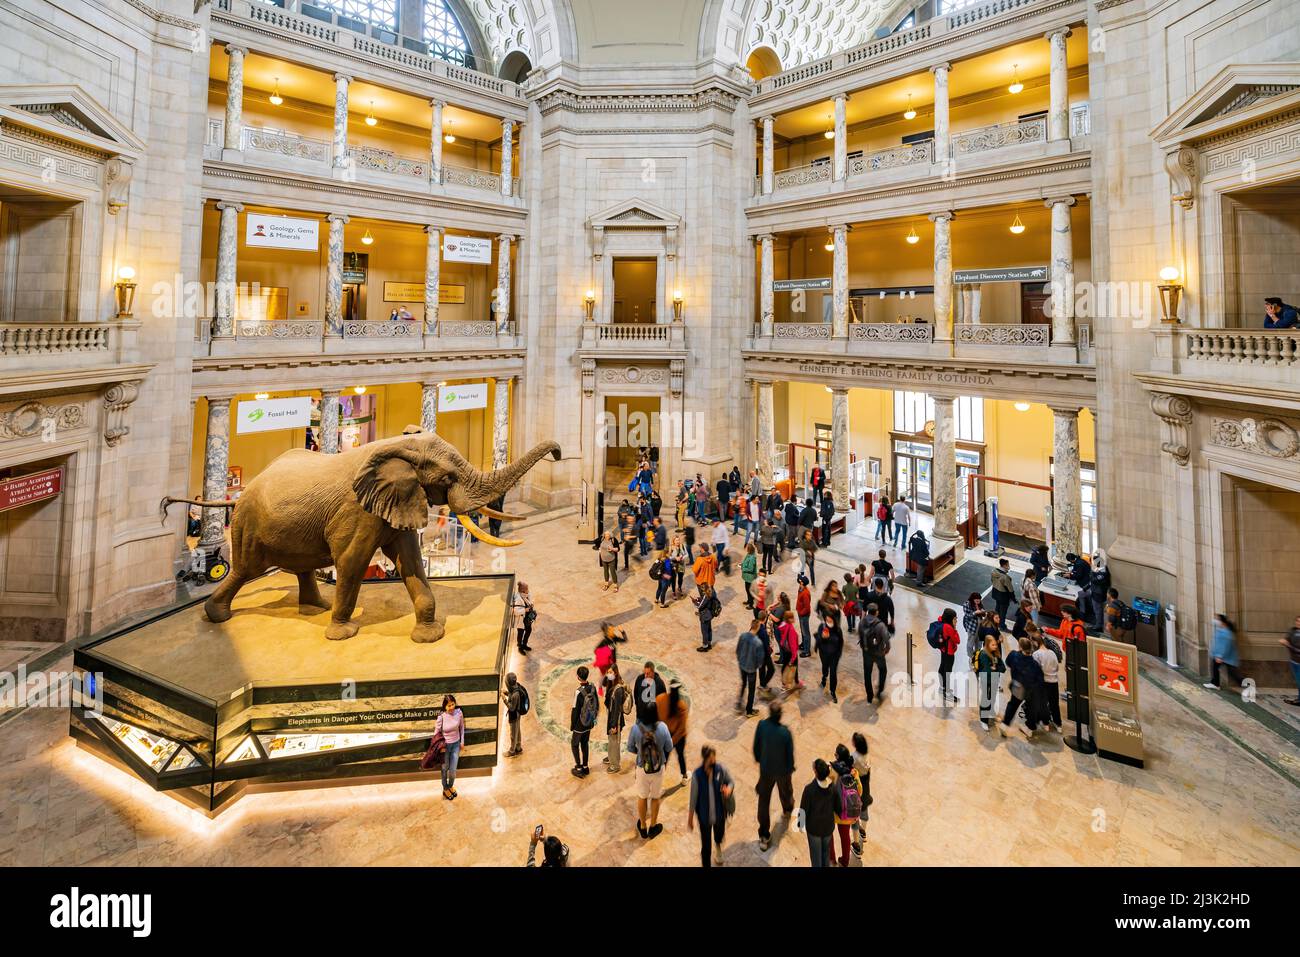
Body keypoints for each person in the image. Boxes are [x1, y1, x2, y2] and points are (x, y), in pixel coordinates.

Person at [753, 700, 795, 852]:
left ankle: (764, 835)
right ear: (780, 716)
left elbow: (756, 747)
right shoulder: (785, 732)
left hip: (766, 771)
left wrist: (760, 760)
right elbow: (789, 755)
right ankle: (788, 808)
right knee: (786, 791)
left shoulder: (762, 726)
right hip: (783, 771)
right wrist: (790, 768)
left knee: (763, 801)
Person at [627, 714, 674, 839]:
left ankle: (642, 826)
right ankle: (653, 827)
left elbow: (630, 747)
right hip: (658, 769)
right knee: (655, 797)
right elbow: (669, 747)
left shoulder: (636, 728)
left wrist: (640, 754)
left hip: (642, 769)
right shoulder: (663, 727)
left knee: (642, 797)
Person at [687, 744, 734, 868]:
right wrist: (690, 818)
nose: (713, 761)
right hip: (704, 817)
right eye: (711, 759)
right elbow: (693, 798)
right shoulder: (697, 776)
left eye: (714, 758)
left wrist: (728, 788)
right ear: (705, 759)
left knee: (719, 834)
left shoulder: (720, 769)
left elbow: (730, 781)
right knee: (706, 847)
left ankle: (718, 846)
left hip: (719, 813)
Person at [798, 758, 838, 868]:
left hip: (814, 830)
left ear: (815, 772)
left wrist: (800, 825)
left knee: (816, 858)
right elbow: (838, 808)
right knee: (826, 854)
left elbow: (803, 810)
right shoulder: (833, 788)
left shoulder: (809, 790)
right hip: (828, 828)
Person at [1003, 636, 1045, 738]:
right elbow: (1040, 680)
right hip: (1030, 691)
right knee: (1031, 708)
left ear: (1020, 647)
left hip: (1017, 687)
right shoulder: (1034, 664)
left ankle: (1005, 725)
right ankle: (1029, 728)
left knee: (1012, 705)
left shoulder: (1013, 655)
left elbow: (1007, 663)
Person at [831, 744, 863, 867]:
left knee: (829, 836)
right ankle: (845, 861)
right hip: (849, 812)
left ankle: (832, 860)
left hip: (836, 812)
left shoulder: (834, 770)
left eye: (835, 754)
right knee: (845, 837)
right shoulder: (854, 772)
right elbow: (860, 790)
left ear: (838, 757)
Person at [656, 681, 691, 784]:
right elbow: (682, 729)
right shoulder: (682, 706)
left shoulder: (660, 699)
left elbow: (656, 717)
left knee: (664, 760)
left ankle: (658, 783)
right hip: (678, 738)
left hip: (665, 735)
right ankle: (684, 777)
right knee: (680, 756)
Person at [1031, 624, 1063, 731]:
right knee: (1054, 704)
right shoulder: (1052, 653)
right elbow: (1057, 667)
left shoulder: (1036, 654)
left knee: (1042, 703)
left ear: (1035, 642)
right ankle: (1058, 725)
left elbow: (1036, 670)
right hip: (1054, 682)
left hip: (1044, 682)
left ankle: (1045, 724)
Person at [435, 694, 466, 800]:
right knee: (444, 769)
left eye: (453, 704)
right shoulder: (441, 716)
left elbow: (462, 728)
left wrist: (462, 742)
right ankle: (445, 789)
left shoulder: (459, 713)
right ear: (445, 706)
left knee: (453, 770)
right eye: (449, 705)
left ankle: (450, 786)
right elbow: (437, 734)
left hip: (456, 745)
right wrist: (440, 747)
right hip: (445, 747)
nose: (451, 707)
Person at [569, 666, 599, 777]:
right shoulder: (592, 687)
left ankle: (578, 767)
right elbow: (597, 705)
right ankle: (586, 767)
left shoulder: (578, 692)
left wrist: (573, 725)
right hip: (589, 722)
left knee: (574, 744)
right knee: (585, 743)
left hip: (579, 725)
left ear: (578, 677)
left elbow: (575, 710)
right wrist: (593, 719)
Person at [859, 603, 890, 706]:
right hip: (878, 653)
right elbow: (886, 638)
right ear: (876, 612)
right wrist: (887, 648)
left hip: (867, 652)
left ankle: (869, 696)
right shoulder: (880, 625)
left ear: (867, 611)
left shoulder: (862, 622)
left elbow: (860, 635)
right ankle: (879, 691)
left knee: (867, 673)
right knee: (883, 670)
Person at [1204, 613, 1244, 692]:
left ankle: (1246, 684)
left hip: (1224, 657)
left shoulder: (1226, 633)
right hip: (1222, 657)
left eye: (1217, 619)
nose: (1215, 621)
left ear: (1223, 622)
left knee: (1232, 673)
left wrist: (1219, 656)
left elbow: (1225, 646)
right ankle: (1215, 683)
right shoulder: (1221, 630)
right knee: (1219, 669)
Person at [974, 635, 1005, 732]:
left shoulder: (996, 654)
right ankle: (983, 720)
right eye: (993, 645)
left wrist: (994, 669)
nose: (995, 646)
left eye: (996, 644)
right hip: (985, 680)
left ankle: (991, 712)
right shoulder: (983, 654)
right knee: (985, 699)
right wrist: (995, 669)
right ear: (987, 645)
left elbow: (1003, 668)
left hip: (994, 679)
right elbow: (987, 671)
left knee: (992, 697)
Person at [736, 619, 764, 716]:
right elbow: (760, 660)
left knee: (743, 684)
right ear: (758, 627)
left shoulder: (743, 636)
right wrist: (756, 666)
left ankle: (739, 704)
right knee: (751, 690)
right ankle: (749, 711)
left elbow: (737, 650)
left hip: (742, 665)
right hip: (751, 669)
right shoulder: (758, 642)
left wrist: (740, 660)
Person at [933, 608, 961, 704]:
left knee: (942, 667)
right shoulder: (948, 627)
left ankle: (942, 688)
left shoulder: (941, 620)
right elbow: (957, 640)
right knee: (947, 671)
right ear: (950, 619)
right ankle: (947, 693)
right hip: (949, 652)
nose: (956, 621)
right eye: (954, 619)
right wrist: (954, 628)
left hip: (943, 649)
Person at [604, 664, 629, 773]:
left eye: (610, 672)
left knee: (614, 741)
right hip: (611, 716)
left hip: (616, 720)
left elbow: (616, 711)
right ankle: (611, 757)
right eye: (607, 672)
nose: (608, 674)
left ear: (615, 673)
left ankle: (615, 765)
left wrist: (613, 725)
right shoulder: (612, 683)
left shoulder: (618, 690)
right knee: (611, 740)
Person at [850, 733, 871, 854]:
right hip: (866, 788)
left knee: (854, 819)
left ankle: (856, 845)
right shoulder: (867, 755)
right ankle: (863, 831)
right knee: (864, 812)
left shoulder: (854, 757)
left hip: (857, 790)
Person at [816, 615, 844, 704]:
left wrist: (838, 654)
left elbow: (841, 643)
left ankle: (833, 691)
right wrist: (823, 638)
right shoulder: (822, 626)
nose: (828, 618)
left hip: (834, 656)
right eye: (826, 616)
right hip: (824, 654)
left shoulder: (838, 629)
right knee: (825, 667)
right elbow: (818, 640)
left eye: (830, 616)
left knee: (833, 673)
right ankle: (824, 677)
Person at [633, 660, 667, 725]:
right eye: (644, 673)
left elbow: (663, 701)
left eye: (648, 673)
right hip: (640, 718)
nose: (645, 676)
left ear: (653, 672)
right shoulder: (640, 679)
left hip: (654, 721)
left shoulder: (659, 684)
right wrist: (639, 708)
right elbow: (636, 694)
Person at [593, 624, 627, 688]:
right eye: (611, 630)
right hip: (609, 664)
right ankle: (605, 686)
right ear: (607, 632)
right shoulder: (604, 641)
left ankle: (605, 682)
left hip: (614, 663)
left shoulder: (614, 638)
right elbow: (596, 650)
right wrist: (605, 656)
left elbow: (625, 640)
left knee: (614, 679)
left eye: (613, 629)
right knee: (613, 681)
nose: (613, 631)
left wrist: (622, 632)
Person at [501, 672, 525, 757]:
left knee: (513, 734)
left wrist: (504, 700)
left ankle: (512, 751)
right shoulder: (516, 688)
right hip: (518, 715)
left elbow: (511, 708)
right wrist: (507, 693)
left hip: (514, 716)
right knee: (517, 731)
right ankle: (518, 747)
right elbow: (511, 694)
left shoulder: (515, 695)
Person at [1089, 550, 1112, 631]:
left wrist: (1092, 575)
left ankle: (1099, 626)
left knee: (1098, 610)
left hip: (1099, 593)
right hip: (1095, 592)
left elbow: (1095, 579)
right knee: (1097, 610)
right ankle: (1098, 624)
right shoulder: (1097, 568)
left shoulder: (1103, 569)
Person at [990, 558, 1016, 629]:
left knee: (997, 608)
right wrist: (1013, 599)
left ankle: (994, 621)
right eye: (1008, 565)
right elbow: (1010, 589)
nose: (1008, 566)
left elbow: (992, 580)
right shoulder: (1005, 577)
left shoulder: (994, 571)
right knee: (1003, 612)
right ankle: (1002, 625)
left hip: (996, 592)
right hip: (1004, 596)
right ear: (1004, 565)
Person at [512, 581, 535, 655]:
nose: (528, 589)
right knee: (520, 634)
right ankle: (520, 647)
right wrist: (525, 610)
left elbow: (528, 602)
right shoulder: (518, 598)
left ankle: (524, 645)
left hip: (527, 619)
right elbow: (516, 612)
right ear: (523, 590)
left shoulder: (526, 595)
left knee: (528, 631)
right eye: (527, 588)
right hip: (521, 620)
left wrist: (531, 605)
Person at [1282, 615, 1300, 707]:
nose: (1298, 623)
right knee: (1298, 681)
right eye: (1297, 621)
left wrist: (1288, 645)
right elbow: (1286, 639)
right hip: (1294, 661)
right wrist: (1285, 641)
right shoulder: (1292, 631)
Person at [695, 583, 719, 652]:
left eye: (702, 589)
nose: (701, 591)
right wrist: (699, 599)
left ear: (704, 589)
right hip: (710, 615)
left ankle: (705, 646)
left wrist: (695, 603)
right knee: (709, 629)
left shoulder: (706, 596)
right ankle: (709, 644)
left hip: (705, 616)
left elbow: (700, 606)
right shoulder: (711, 593)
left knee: (704, 631)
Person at [962, 592, 985, 659]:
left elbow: (983, 613)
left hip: (980, 626)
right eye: (976, 600)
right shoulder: (967, 604)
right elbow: (967, 616)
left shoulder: (980, 604)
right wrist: (975, 613)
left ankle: (977, 655)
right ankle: (971, 656)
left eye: (979, 600)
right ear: (972, 599)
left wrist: (983, 612)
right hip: (972, 627)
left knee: (979, 642)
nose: (978, 601)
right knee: (971, 643)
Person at [796, 576, 813, 657]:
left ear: (802, 582)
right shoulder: (801, 588)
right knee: (803, 631)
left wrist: (801, 613)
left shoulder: (805, 593)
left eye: (800, 580)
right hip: (801, 613)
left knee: (806, 633)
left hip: (804, 615)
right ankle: (803, 645)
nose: (799, 581)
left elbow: (807, 607)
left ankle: (807, 651)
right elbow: (798, 581)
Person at [669, 533, 689, 597]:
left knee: (680, 577)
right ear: (673, 541)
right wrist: (675, 558)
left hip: (681, 564)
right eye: (676, 540)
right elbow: (668, 557)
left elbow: (687, 554)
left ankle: (679, 588)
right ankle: (673, 591)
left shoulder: (682, 546)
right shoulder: (671, 548)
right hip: (674, 565)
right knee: (673, 579)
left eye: (678, 540)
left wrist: (682, 557)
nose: (677, 542)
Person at [741, 542, 758, 608]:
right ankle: (749, 600)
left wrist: (743, 568)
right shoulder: (749, 555)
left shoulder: (752, 558)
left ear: (749, 549)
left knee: (750, 591)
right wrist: (742, 564)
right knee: (747, 590)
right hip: (747, 577)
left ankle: (751, 604)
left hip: (750, 578)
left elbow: (750, 569)